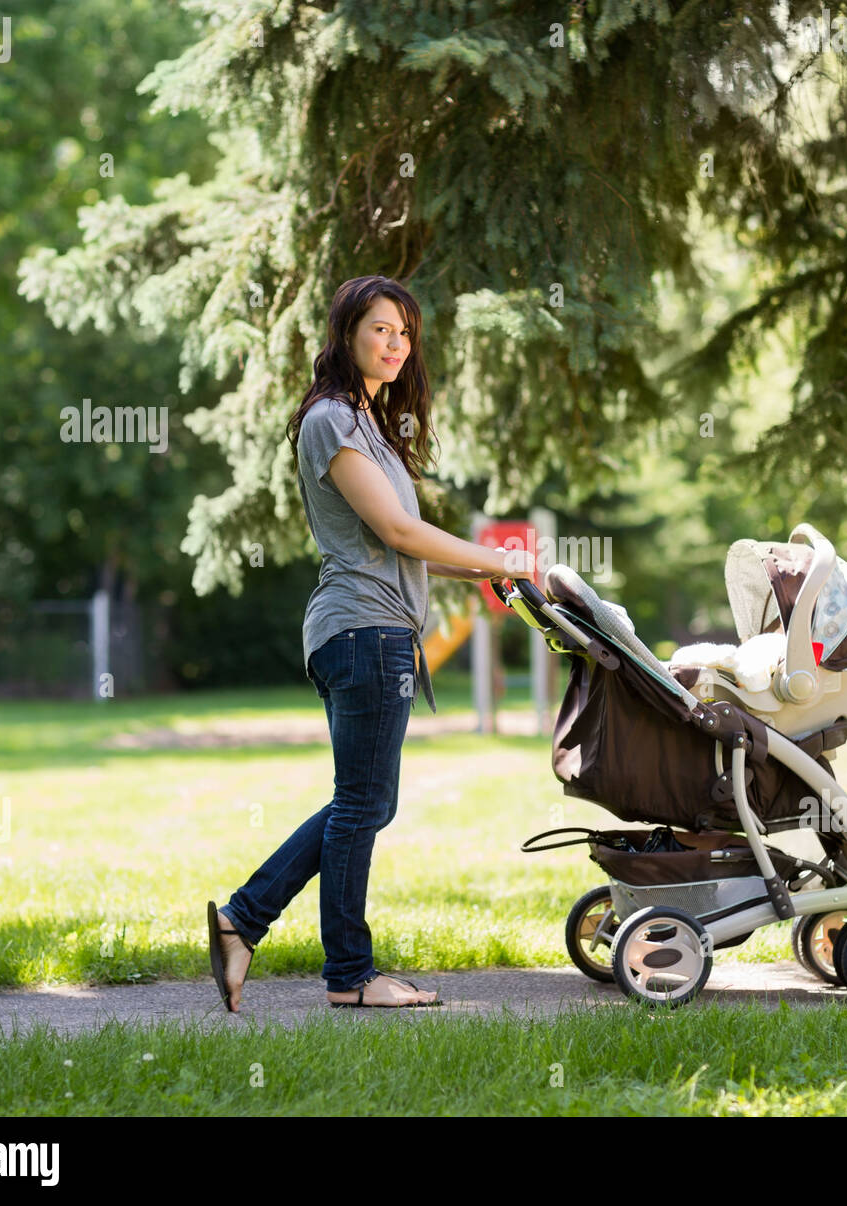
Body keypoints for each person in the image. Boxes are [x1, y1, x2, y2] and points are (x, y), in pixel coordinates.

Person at [208, 275, 537, 1011]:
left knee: (362, 802)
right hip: (362, 630)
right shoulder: (333, 418)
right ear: (348, 331)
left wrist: (500, 576)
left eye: (404, 332)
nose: (394, 343)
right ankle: (348, 974)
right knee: (362, 803)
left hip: (374, 630)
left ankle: (244, 922)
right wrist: (501, 556)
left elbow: (411, 549)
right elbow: (396, 532)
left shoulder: (373, 425)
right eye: (380, 328)